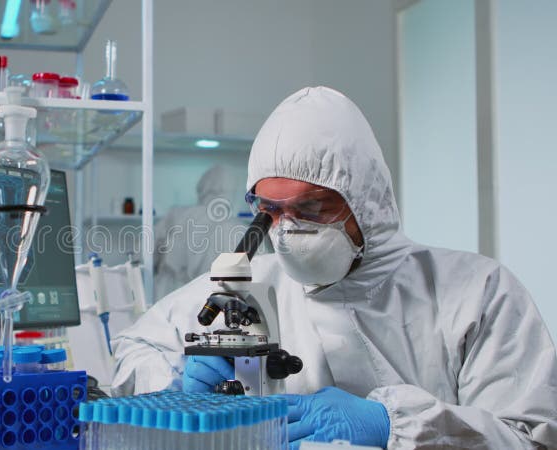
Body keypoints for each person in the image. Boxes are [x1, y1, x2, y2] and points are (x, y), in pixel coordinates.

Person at [111, 87, 557, 449]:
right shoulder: (253, 283)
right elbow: (134, 346)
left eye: (311, 208)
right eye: (271, 211)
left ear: (365, 201)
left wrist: (397, 427)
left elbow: (531, 438)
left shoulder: (478, 292)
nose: (288, 230)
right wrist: (175, 386)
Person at [153, 164, 244, 299]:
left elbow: (144, 257)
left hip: (171, 294)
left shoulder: (176, 215)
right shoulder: (237, 228)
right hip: (211, 298)